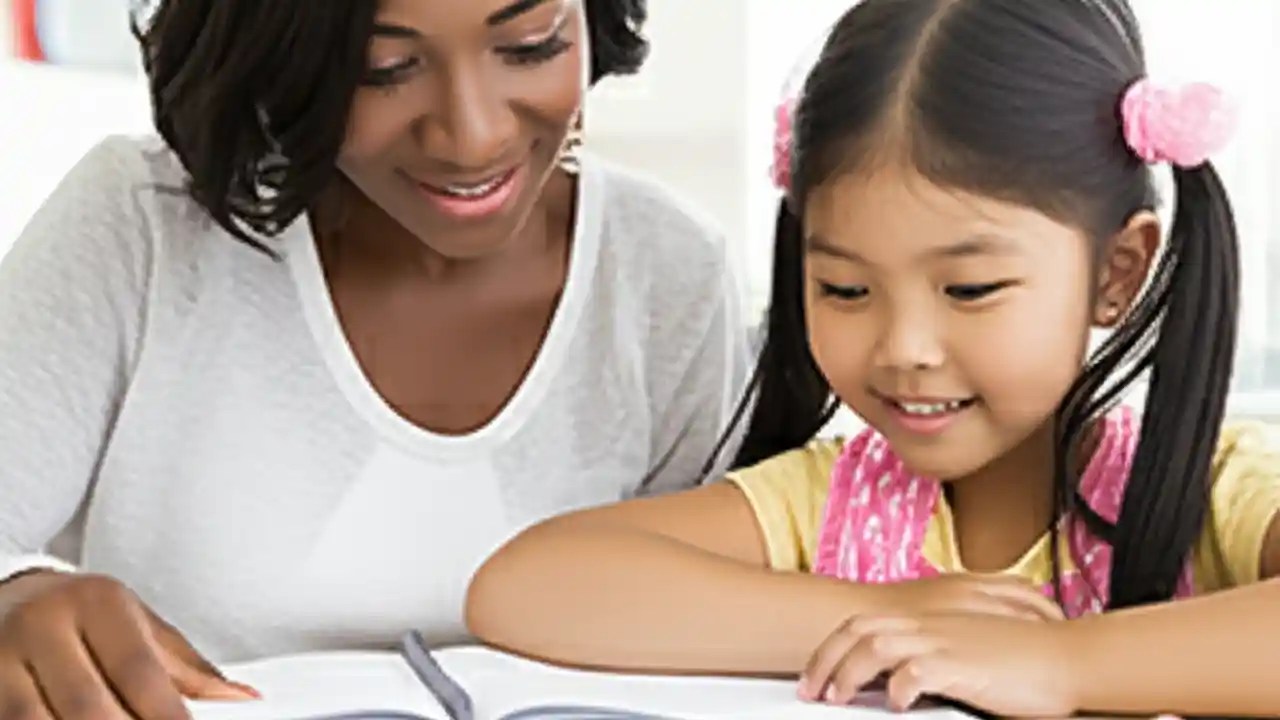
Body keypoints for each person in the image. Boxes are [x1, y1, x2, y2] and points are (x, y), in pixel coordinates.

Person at [465, 1, 1280, 717]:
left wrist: (1061, 663)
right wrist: (877, 616)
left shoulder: (1212, 494)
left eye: (969, 289)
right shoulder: (828, 503)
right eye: (847, 290)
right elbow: (525, 587)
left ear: (1117, 272)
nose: (903, 350)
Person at [0, 0, 750, 716]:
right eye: (385, 68)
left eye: (530, 46)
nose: (472, 136)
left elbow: (715, 645)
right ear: (282, 52)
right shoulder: (144, 224)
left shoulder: (669, 275)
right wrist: (15, 596)